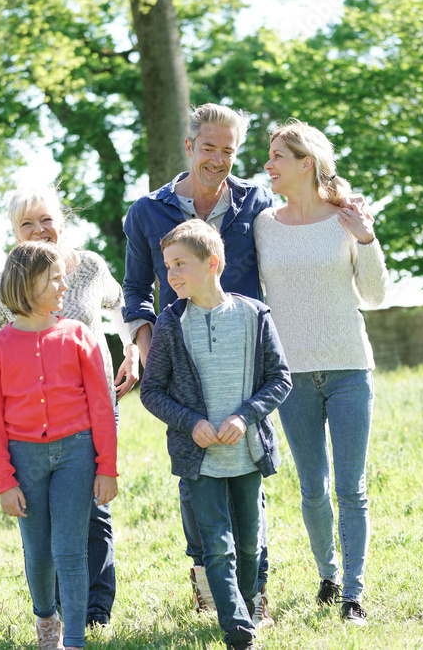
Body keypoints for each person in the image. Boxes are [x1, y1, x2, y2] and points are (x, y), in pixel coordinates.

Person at [122, 102, 277, 622]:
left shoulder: (256, 201)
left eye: (228, 150)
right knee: (199, 477)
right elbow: (136, 290)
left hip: (242, 364)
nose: (218, 159)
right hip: (181, 360)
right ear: (189, 147)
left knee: (246, 470)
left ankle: (254, 591)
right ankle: (209, 578)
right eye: (208, 147)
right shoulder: (148, 211)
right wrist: (149, 350)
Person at [253, 119, 388, 625]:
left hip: (350, 367)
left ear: (306, 163)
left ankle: (354, 593)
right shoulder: (264, 224)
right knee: (312, 486)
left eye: (277, 157)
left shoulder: (347, 218)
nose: (268, 165)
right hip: (293, 375)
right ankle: (328, 576)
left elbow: (374, 296)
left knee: (351, 487)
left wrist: (367, 239)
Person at [0, 185, 138, 627]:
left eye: (45, 220)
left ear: (62, 222)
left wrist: (130, 347)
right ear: (14, 232)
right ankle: (51, 611)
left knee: (95, 510)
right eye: (26, 224)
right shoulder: (3, 284)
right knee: (46, 527)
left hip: (90, 404)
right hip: (32, 427)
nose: (38, 230)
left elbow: (120, 302)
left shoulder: (87, 266)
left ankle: (93, 612)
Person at [139, 220, 291, 650]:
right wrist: (192, 422)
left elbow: (280, 379)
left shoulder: (254, 315)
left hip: (247, 453)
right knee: (217, 545)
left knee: (248, 543)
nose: (170, 275)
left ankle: (244, 607)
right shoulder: (171, 323)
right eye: (167, 266)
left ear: (213, 263)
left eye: (180, 264)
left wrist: (245, 417)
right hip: (200, 457)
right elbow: (151, 392)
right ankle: (238, 629)